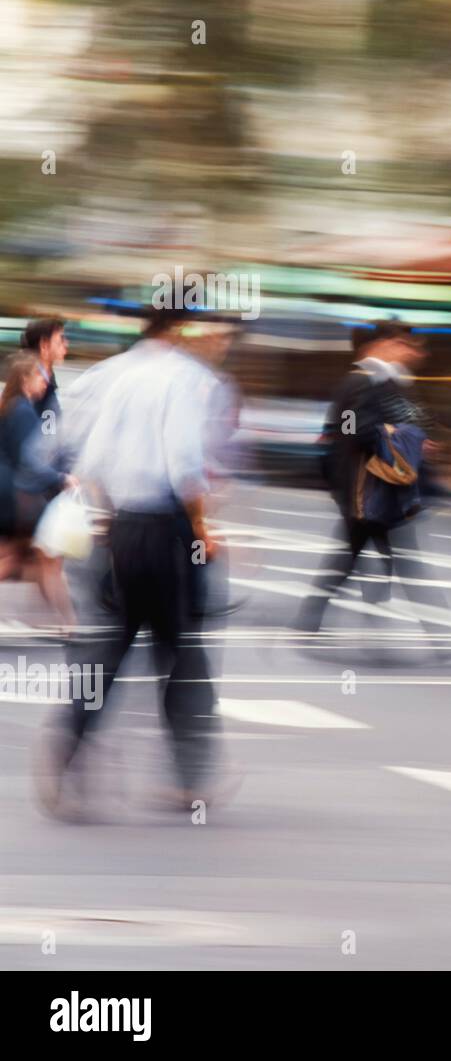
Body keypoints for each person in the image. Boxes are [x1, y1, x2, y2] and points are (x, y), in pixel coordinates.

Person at [35, 306, 224, 817]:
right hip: (166, 530)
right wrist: (202, 529)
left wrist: (112, 523)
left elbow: (89, 459)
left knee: (112, 649)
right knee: (182, 654)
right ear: (180, 330)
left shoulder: (120, 374)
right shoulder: (181, 378)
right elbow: (184, 463)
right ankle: (189, 779)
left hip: (123, 530)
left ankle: (67, 748)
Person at [293, 320, 451, 642]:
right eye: (404, 344)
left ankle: (314, 618)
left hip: (382, 490)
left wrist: (419, 438)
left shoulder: (390, 383)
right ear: (383, 344)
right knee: (399, 561)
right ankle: (440, 634)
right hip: (365, 490)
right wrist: (409, 438)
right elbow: (351, 431)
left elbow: (410, 421)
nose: (412, 352)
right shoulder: (358, 383)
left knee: (356, 559)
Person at [0, 352, 79, 630]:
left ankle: (65, 621)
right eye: (39, 376)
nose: (44, 382)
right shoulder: (22, 411)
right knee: (42, 559)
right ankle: (67, 622)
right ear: (25, 378)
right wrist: (61, 478)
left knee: (29, 558)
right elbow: (29, 460)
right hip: (17, 496)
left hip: (10, 493)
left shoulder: (10, 406)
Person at [20, 315, 67, 422]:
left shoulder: (46, 381)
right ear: (44, 345)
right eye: (61, 338)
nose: (66, 344)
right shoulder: (34, 387)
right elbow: (46, 432)